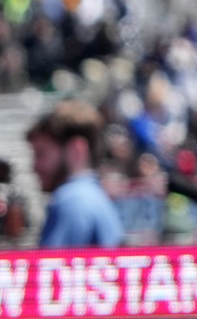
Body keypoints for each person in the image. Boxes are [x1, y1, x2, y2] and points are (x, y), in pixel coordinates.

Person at [29, 99, 125, 250]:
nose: (34, 166)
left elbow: (51, 270)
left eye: (41, 154)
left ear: (77, 149)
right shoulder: (93, 196)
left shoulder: (72, 201)